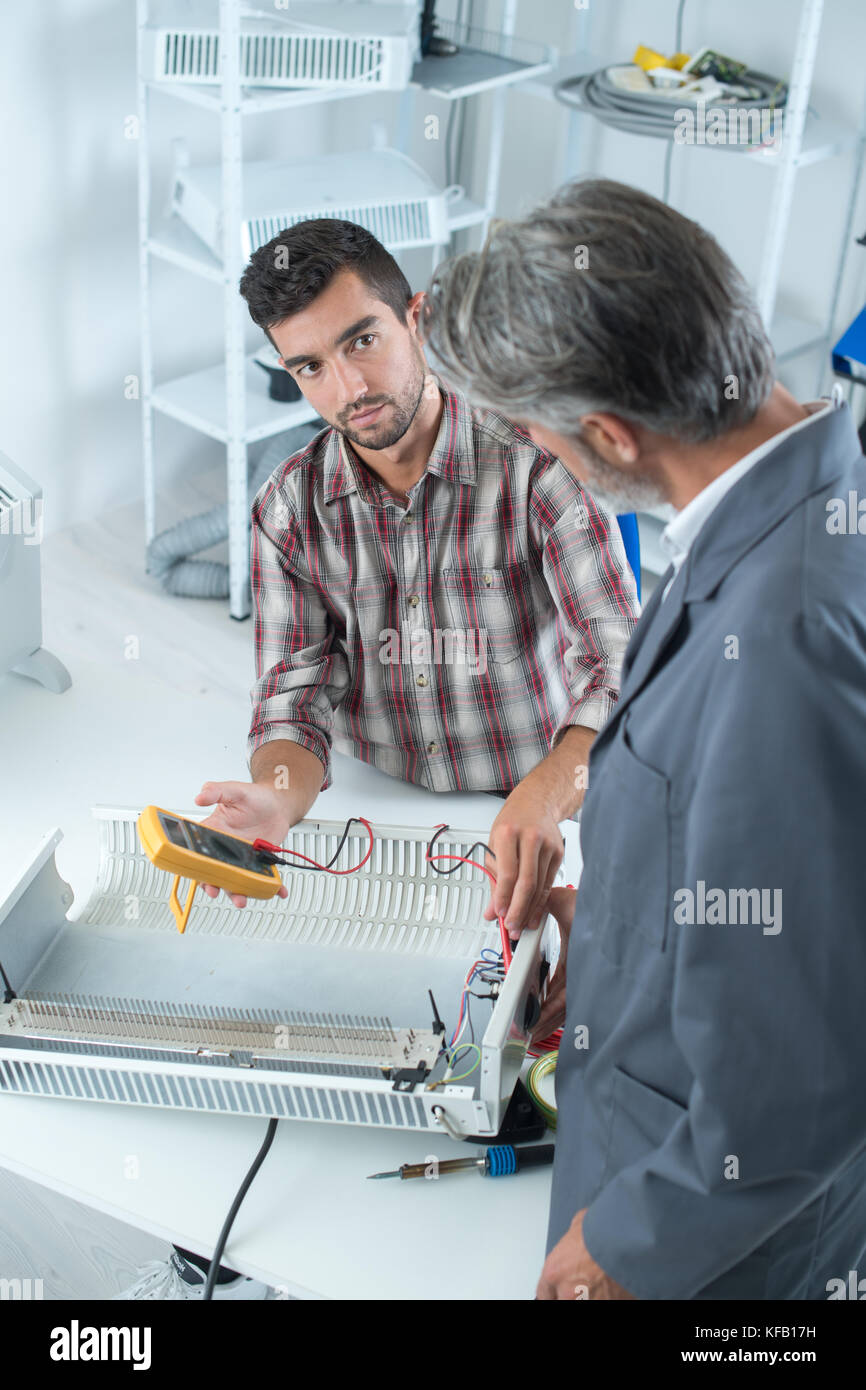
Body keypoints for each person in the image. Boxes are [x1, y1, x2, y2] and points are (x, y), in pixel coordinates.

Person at [116, 215, 637, 1300]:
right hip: (376, 812)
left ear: (417, 318)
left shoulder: (535, 468)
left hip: (538, 805)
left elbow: (623, 671)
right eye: (305, 365)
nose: (343, 384)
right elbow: (293, 699)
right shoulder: (287, 509)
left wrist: (550, 785)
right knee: (344, 1048)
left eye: (360, 341)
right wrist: (270, 802)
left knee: (521, 1057)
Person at [421, 176, 866, 1300]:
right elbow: (784, 872)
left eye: (531, 430)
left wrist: (636, 1242)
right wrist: (619, 918)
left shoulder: (785, 638)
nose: (531, 451)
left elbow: (803, 1071)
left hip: (708, 1224)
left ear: (609, 432)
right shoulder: (777, 492)